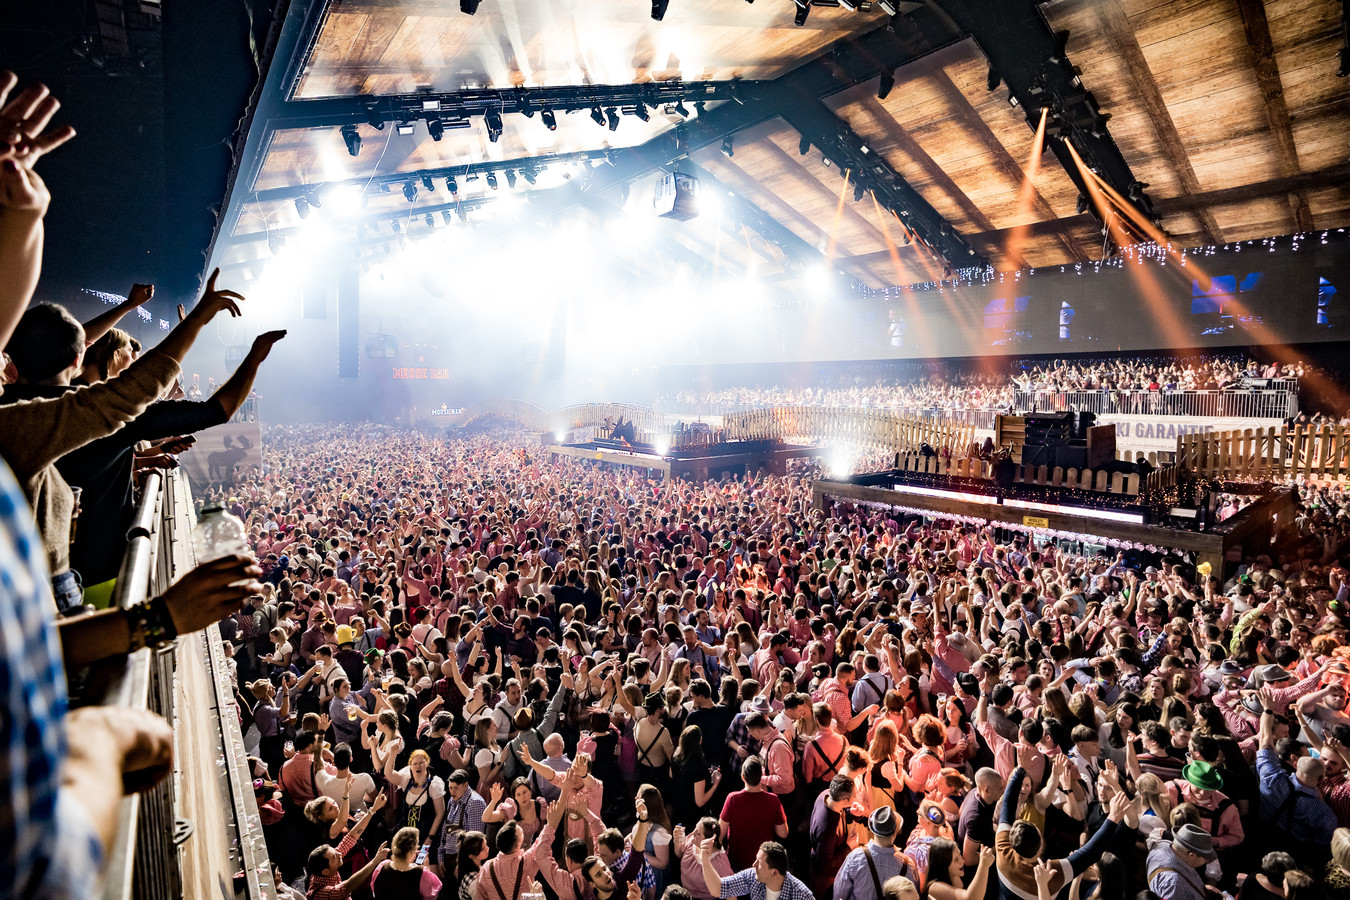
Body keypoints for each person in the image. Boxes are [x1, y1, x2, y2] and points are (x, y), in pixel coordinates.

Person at [719, 756, 788, 871]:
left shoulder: (732, 799)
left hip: (736, 863)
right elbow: (783, 833)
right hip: (763, 864)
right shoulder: (773, 800)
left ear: (743, 777)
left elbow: (720, 834)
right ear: (761, 777)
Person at [834, 807, 914, 900]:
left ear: (872, 828)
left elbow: (839, 894)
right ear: (896, 832)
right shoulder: (909, 867)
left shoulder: (855, 858)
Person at [697, 838, 813, 900]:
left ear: (774, 872)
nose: (754, 865)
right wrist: (705, 859)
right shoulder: (753, 876)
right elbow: (718, 889)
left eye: (760, 864)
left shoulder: (802, 895)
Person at [1145, 824, 1216, 900]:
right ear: (1192, 855)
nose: (1207, 860)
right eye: (1205, 858)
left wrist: (1200, 889)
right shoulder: (1175, 885)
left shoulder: (1163, 846)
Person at [372, 826, 443, 899]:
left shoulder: (382, 867)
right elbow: (431, 895)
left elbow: (375, 890)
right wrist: (426, 867)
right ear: (413, 850)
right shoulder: (421, 872)